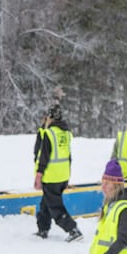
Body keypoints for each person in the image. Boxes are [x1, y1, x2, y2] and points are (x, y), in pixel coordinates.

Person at [33, 89, 83, 242]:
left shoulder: (49, 134)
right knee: (46, 203)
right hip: (62, 175)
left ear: (49, 117)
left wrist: (39, 175)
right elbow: (68, 156)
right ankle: (43, 228)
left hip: (51, 175)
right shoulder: (65, 133)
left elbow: (43, 156)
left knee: (55, 206)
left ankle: (73, 229)